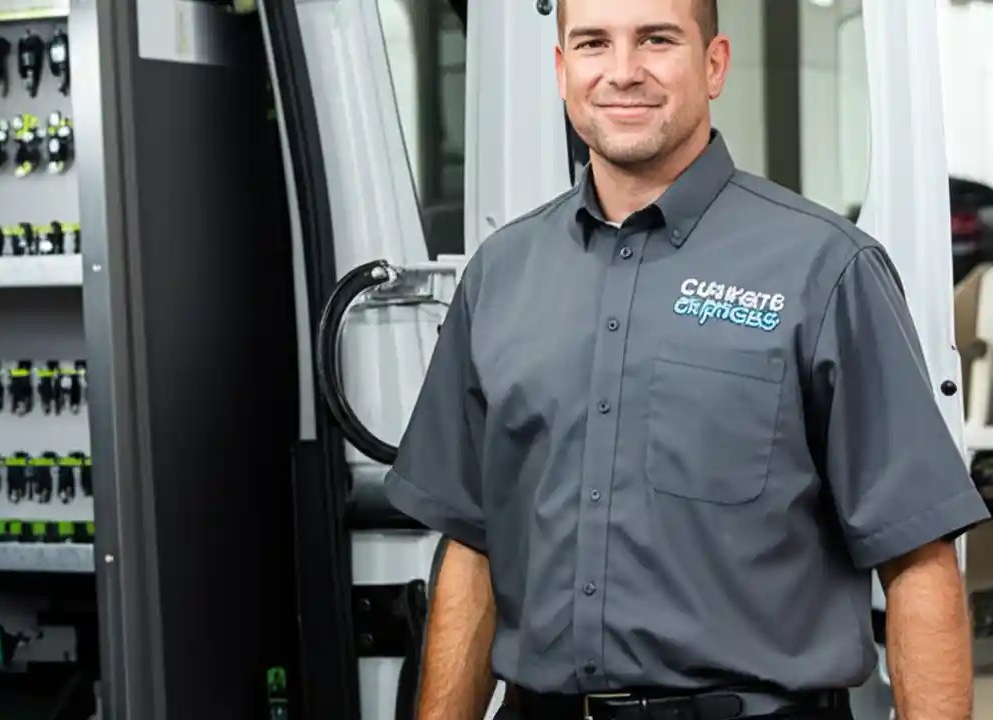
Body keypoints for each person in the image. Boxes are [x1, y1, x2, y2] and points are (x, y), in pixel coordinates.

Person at [381, 0, 992, 718]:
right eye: (593, 44)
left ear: (714, 65)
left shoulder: (825, 269)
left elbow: (916, 560)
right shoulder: (501, 275)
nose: (622, 71)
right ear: (561, 69)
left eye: (656, 40)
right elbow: (471, 545)